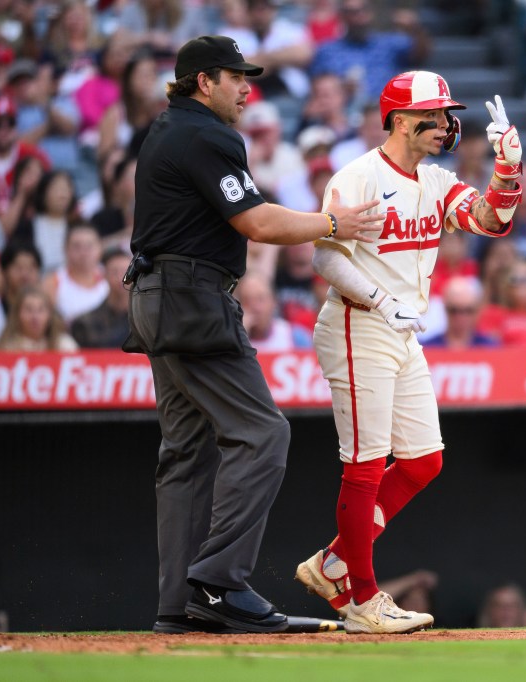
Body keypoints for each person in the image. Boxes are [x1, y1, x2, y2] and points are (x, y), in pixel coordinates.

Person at [125, 35, 382, 635]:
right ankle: (218, 585)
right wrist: (334, 222)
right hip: (191, 301)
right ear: (203, 82)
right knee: (263, 433)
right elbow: (258, 222)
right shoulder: (205, 134)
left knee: (186, 451)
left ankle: (178, 604)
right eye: (235, 77)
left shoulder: (166, 129)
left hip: (156, 297)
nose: (246, 89)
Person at [292, 70, 522, 634]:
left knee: (423, 460)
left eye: (446, 115)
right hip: (358, 321)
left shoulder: (436, 179)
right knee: (366, 464)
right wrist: (379, 298)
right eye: (433, 115)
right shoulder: (358, 176)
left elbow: (492, 221)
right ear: (399, 120)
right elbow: (325, 257)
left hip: (401, 329)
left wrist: (508, 167)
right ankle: (362, 600)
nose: (445, 124)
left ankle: (333, 563)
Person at [42, 222, 109, 324]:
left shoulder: (112, 277)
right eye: (77, 246)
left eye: (89, 246)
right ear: (65, 249)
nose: (83, 253)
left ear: (100, 248)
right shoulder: (52, 283)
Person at [233, 271, 313, 351]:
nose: (255, 308)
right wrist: (240, 336)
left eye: (260, 299)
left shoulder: (294, 337)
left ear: (273, 301)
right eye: (247, 301)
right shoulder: (232, 340)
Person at [70, 246, 131, 348]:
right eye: (115, 272)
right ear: (104, 275)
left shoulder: (147, 320)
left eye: (126, 272)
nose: (121, 278)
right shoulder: (85, 324)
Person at [422, 275, 497, 349]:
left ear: (477, 311)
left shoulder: (490, 348)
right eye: (454, 310)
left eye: (468, 311)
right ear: (445, 309)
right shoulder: (428, 348)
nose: (461, 317)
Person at [0, 285, 78, 351]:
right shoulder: (6, 347)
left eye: (41, 310)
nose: (35, 317)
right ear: (17, 314)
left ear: (50, 314)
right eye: (28, 309)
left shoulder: (64, 345)